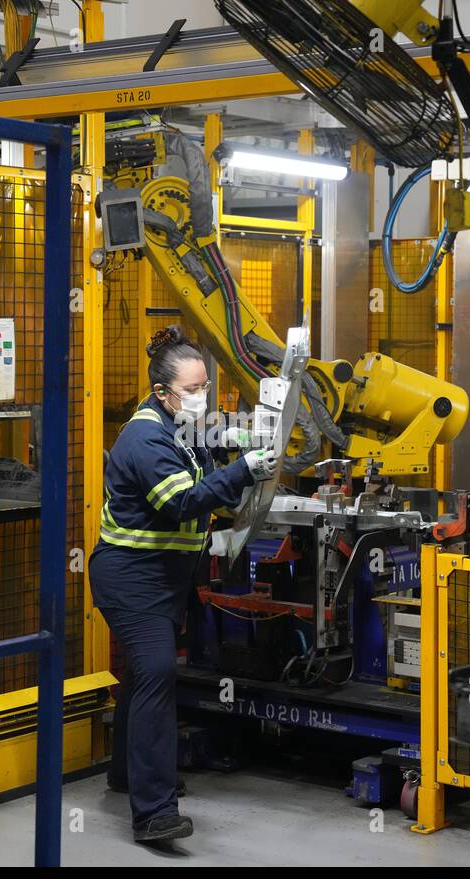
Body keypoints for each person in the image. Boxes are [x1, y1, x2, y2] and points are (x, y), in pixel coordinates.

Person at [89, 326, 278, 842]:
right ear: (161, 392)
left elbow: (205, 440)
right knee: (155, 674)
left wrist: (236, 437)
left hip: (162, 580)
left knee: (143, 676)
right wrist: (244, 468)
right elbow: (181, 502)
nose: (201, 399)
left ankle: (126, 774)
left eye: (204, 388)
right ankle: (154, 813)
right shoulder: (144, 436)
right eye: (192, 391)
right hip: (131, 579)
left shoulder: (175, 423)